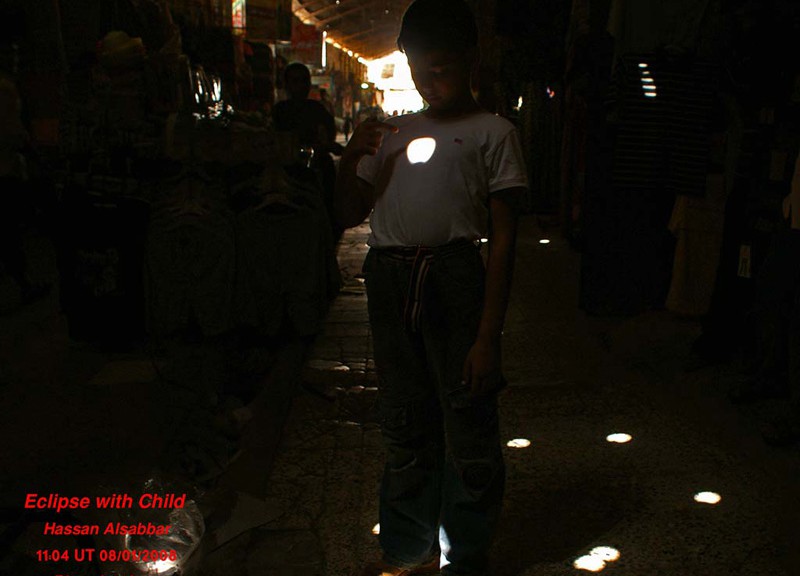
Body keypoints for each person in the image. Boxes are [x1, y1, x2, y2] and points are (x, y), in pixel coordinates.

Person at [335, 1, 528, 575]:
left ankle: (464, 552)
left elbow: (503, 238)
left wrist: (488, 334)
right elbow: (347, 212)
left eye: (440, 68)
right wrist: (350, 159)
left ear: (471, 63)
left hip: (455, 278)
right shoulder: (392, 134)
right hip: (390, 280)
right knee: (403, 417)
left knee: (467, 417)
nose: (427, 81)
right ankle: (405, 546)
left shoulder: (495, 133)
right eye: (419, 69)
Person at [273, 62, 343, 240]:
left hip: (317, 171)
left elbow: (328, 136)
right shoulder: (279, 112)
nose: (300, 86)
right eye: (295, 81)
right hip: (287, 175)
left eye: (304, 81)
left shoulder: (317, 109)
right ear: (286, 84)